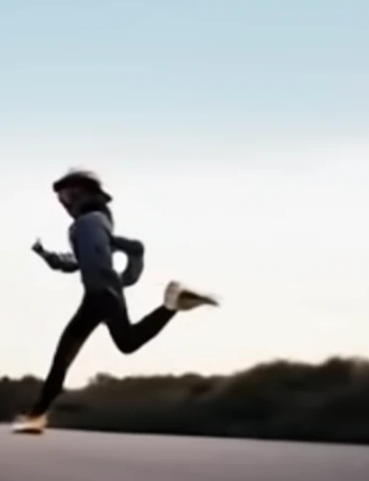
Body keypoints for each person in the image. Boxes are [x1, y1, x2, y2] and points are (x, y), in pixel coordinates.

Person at [13, 168, 217, 435]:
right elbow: (80, 260)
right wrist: (46, 255)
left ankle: (35, 416)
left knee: (69, 357)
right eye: (61, 199)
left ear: (83, 195)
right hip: (99, 295)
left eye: (67, 197)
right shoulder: (94, 223)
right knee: (118, 344)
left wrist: (123, 275)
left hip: (101, 295)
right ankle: (172, 304)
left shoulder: (88, 224)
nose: (64, 203)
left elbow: (116, 250)